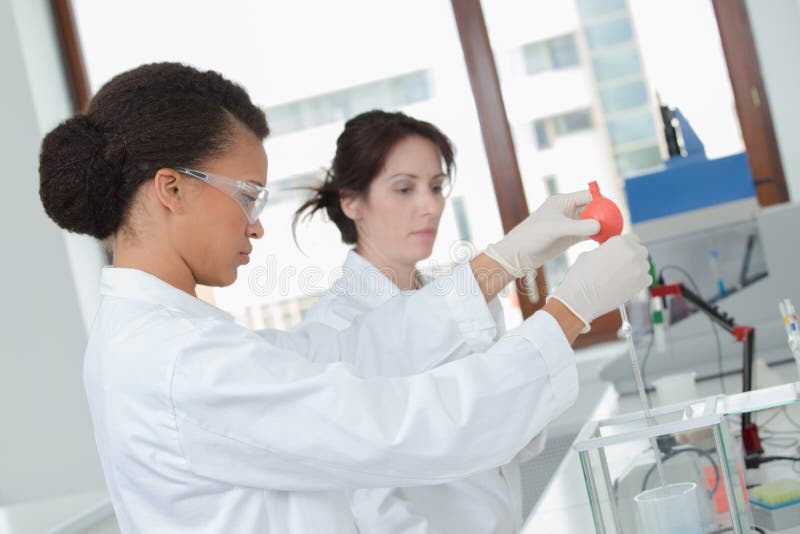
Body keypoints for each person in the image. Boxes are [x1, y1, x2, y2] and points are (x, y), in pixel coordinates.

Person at [38, 62, 651, 533]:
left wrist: (511, 257)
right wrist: (570, 311)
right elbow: (396, 428)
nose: (255, 225)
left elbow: (345, 355)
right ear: (171, 188)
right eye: (248, 196)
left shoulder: (175, 339)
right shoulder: (178, 361)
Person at [295, 109, 580, 533]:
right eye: (404, 189)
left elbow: (508, 433)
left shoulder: (459, 306)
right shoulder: (334, 331)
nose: (430, 206)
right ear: (352, 201)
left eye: (436, 187)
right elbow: (366, 505)